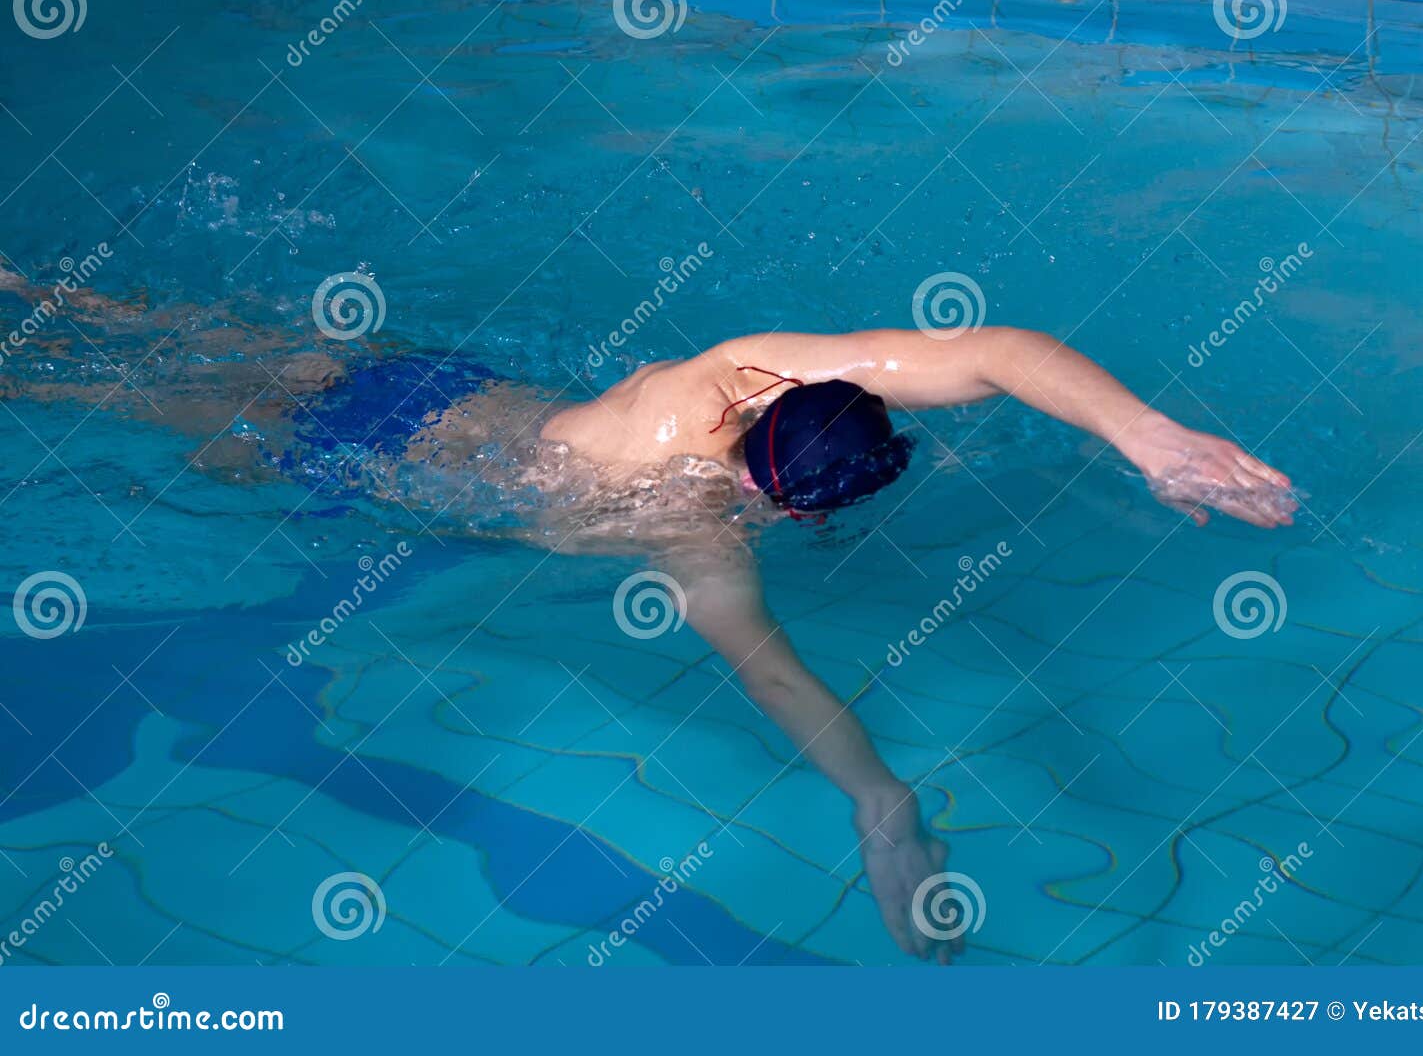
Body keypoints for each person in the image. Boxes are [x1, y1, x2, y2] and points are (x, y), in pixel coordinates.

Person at [2, 274, 1296, 962]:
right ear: (784, 508)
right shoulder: (689, 532)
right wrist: (881, 803)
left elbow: (999, 347)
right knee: (139, 405)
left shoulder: (736, 367)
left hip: (431, 389)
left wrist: (1154, 437)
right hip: (350, 462)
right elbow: (778, 681)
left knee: (164, 342)